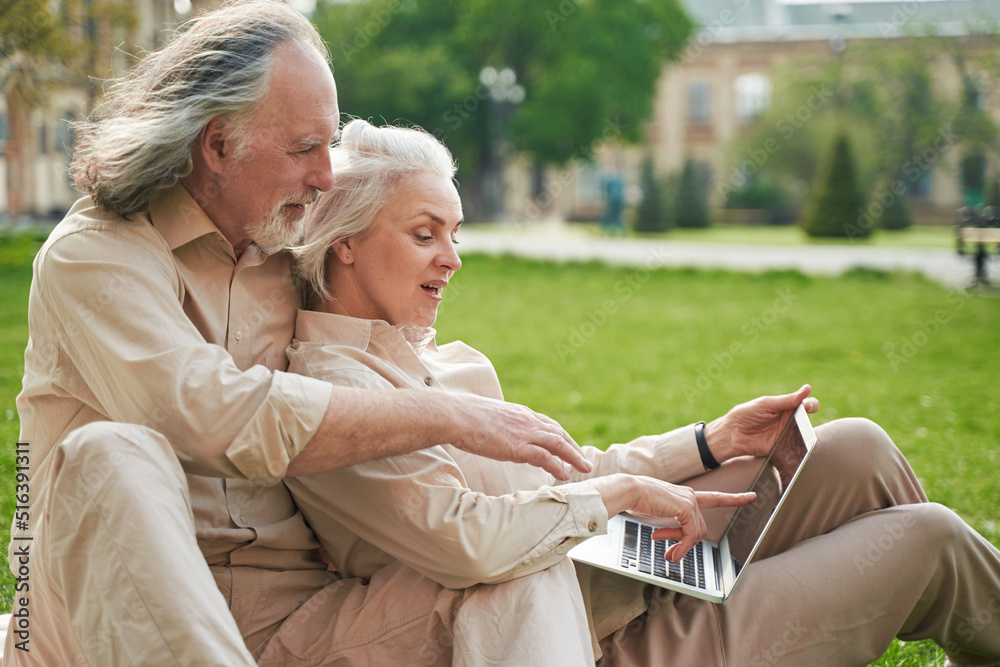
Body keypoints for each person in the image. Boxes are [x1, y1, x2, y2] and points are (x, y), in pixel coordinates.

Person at [3, 3, 598, 665]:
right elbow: (208, 413)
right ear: (219, 143)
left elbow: (384, 325)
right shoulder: (94, 255)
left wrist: (678, 455)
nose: (324, 175)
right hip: (98, 615)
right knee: (106, 452)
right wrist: (445, 414)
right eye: (304, 148)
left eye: (329, 144)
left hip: (290, 618)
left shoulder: (289, 252)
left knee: (513, 568)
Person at [285, 119, 1000, 666]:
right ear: (344, 240)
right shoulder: (332, 395)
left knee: (858, 447)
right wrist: (623, 496)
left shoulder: (444, 358)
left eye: (456, 233)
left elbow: (568, 473)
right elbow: (466, 542)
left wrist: (708, 441)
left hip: (635, 566)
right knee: (927, 539)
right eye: (425, 233)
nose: (454, 258)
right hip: (596, 637)